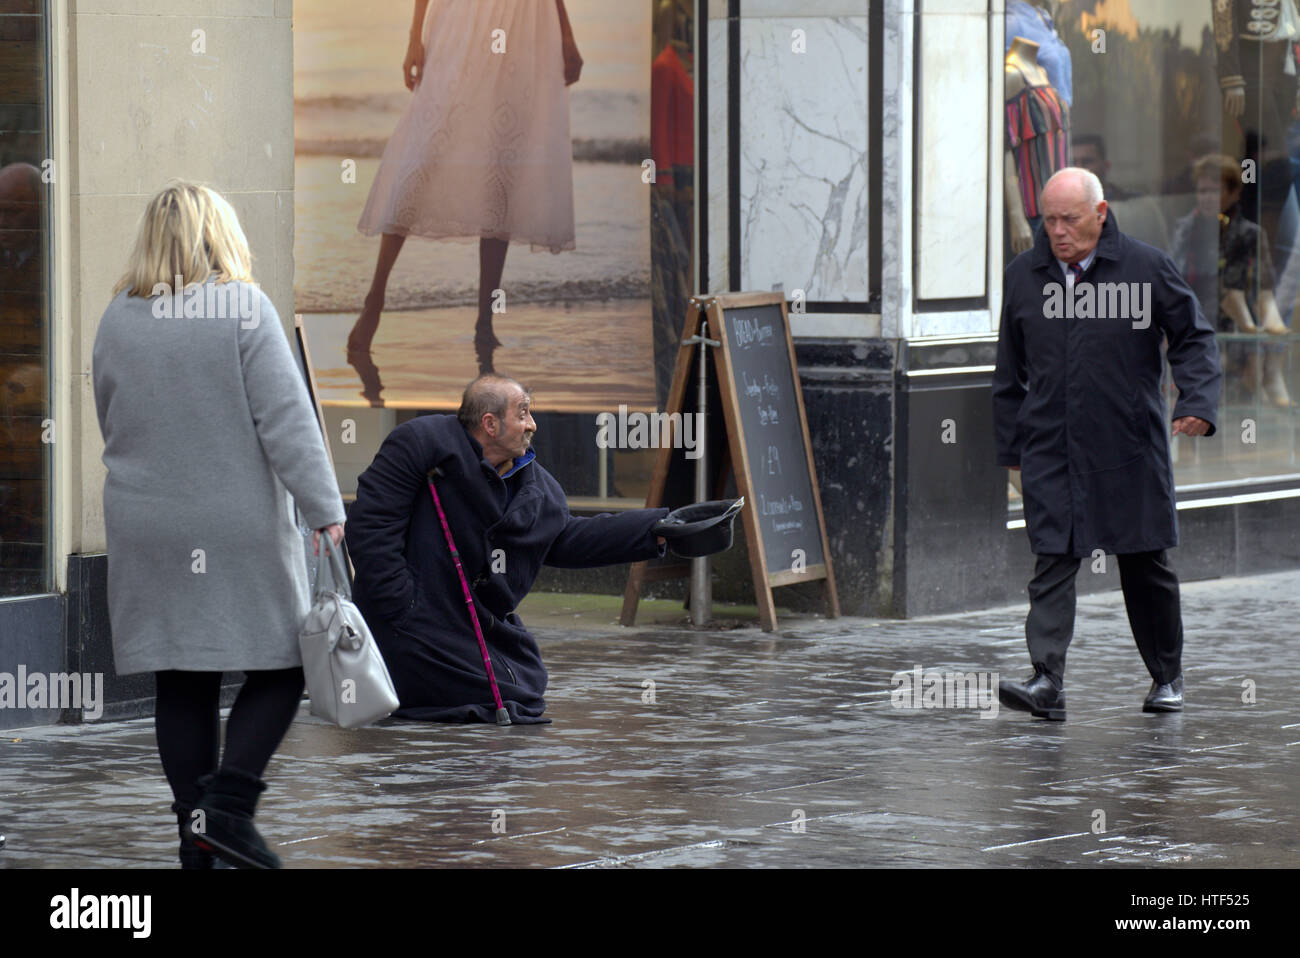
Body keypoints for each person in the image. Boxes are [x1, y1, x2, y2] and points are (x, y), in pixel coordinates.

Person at [92, 182, 346, 868]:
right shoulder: (242, 307)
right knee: (287, 664)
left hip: (145, 524)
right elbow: (286, 422)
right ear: (218, 235)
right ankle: (229, 807)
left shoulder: (118, 315)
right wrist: (325, 507)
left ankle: (195, 838)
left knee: (181, 677)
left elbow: (109, 414)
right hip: (232, 521)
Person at [992, 167, 1223, 720]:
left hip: (1128, 444)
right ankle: (1047, 681)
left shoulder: (1144, 267)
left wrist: (1196, 403)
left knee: (1145, 564)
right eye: (1047, 220)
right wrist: (1011, 452)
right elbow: (1009, 373)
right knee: (1052, 560)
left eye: (1069, 219)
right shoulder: (1025, 276)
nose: (1057, 232)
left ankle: (1167, 676)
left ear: (1100, 213)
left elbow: (1193, 336)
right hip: (1052, 444)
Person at [345, 374, 668, 723]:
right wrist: (401, 604)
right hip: (412, 616)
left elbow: (563, 539)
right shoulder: (422, 444)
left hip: (477, 617)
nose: (533, 424)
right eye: (523, 413)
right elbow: (372, 526)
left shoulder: (535, 483)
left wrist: (659, 530)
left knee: (522, 682)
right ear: (490, 423)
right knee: (481, 689)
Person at [348, 0, 584, 365]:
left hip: (525, 23)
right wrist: (415, 38)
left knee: (502, 158)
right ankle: (374, 299)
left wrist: (567, 34)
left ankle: (485, 322)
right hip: (465, 17)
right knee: (424, 152)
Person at [1170, 152, 1292, 407]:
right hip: (1193, 321)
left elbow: (1263, 286)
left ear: (1234, 193)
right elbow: (1173, 279)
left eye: (1214, 191)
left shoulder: (1249, 234)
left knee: (1238, 403)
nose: (1206, 198)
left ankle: (1267, 374)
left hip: (1234, 324)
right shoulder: (1186, 229)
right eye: (1202, 191)